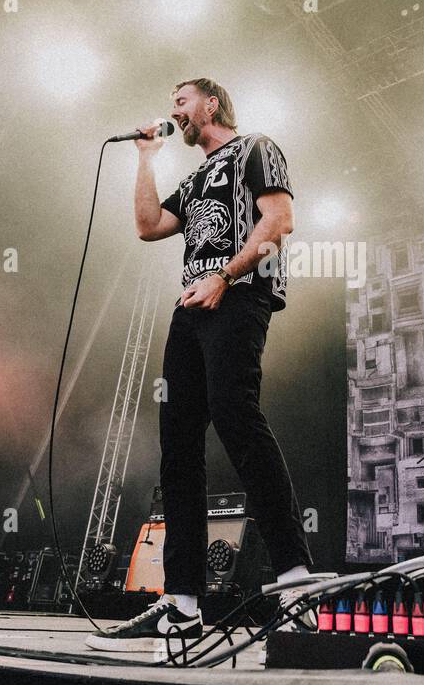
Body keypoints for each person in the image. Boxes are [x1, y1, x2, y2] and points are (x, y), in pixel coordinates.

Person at [87, 78, 316, 651]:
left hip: (238, 294)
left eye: (182, 101)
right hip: (191, 307)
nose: (174, 111)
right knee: (178, 446)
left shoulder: (255, 147)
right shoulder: (192, 179)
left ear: (210, 104)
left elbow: (279, 224)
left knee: (235, 414)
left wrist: (226, 275)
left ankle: (294, 579)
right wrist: (146, 159)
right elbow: (147, 228)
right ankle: (183, 601)